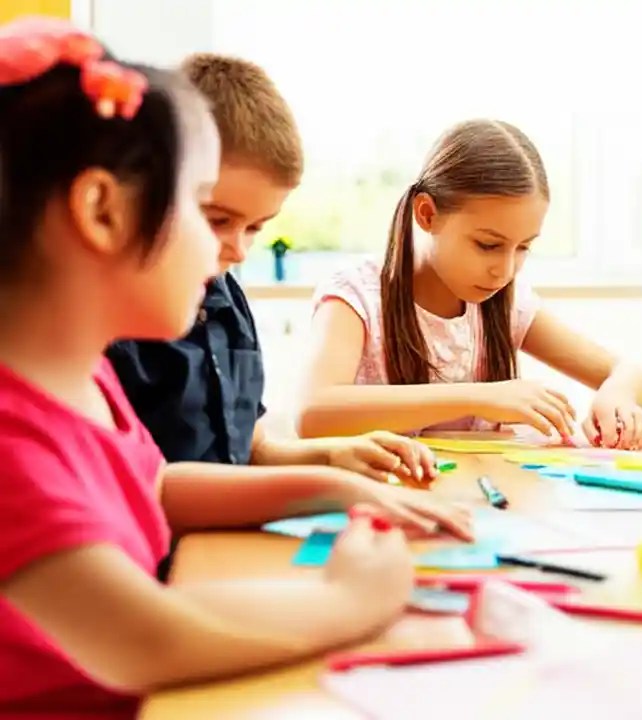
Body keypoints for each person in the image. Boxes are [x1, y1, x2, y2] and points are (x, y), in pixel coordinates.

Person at [0, 19, 417, 716]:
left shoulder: (83, 382)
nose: (231, 253)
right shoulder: (11, 437)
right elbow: (145, 640)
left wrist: (333, 486)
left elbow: (156, 486)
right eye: (203, 210)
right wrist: (352, 599)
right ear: (102, 210)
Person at [106, 53, 442, 485]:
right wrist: (319, 483)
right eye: (217, 219)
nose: (239, 250)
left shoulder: (228, 297)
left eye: (255, 228)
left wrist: (333, 455)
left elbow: (249, 449)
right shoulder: (113, 326)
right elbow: (146, 490)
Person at [299, 119, 642, 450]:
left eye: (524, 247)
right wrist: (480, 397)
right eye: (488, 245)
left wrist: (618, 395)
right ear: (427, 214)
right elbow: (312, 412)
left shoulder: (508, 304)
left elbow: (636, 373)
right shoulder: (356, 297)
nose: (504, 270)